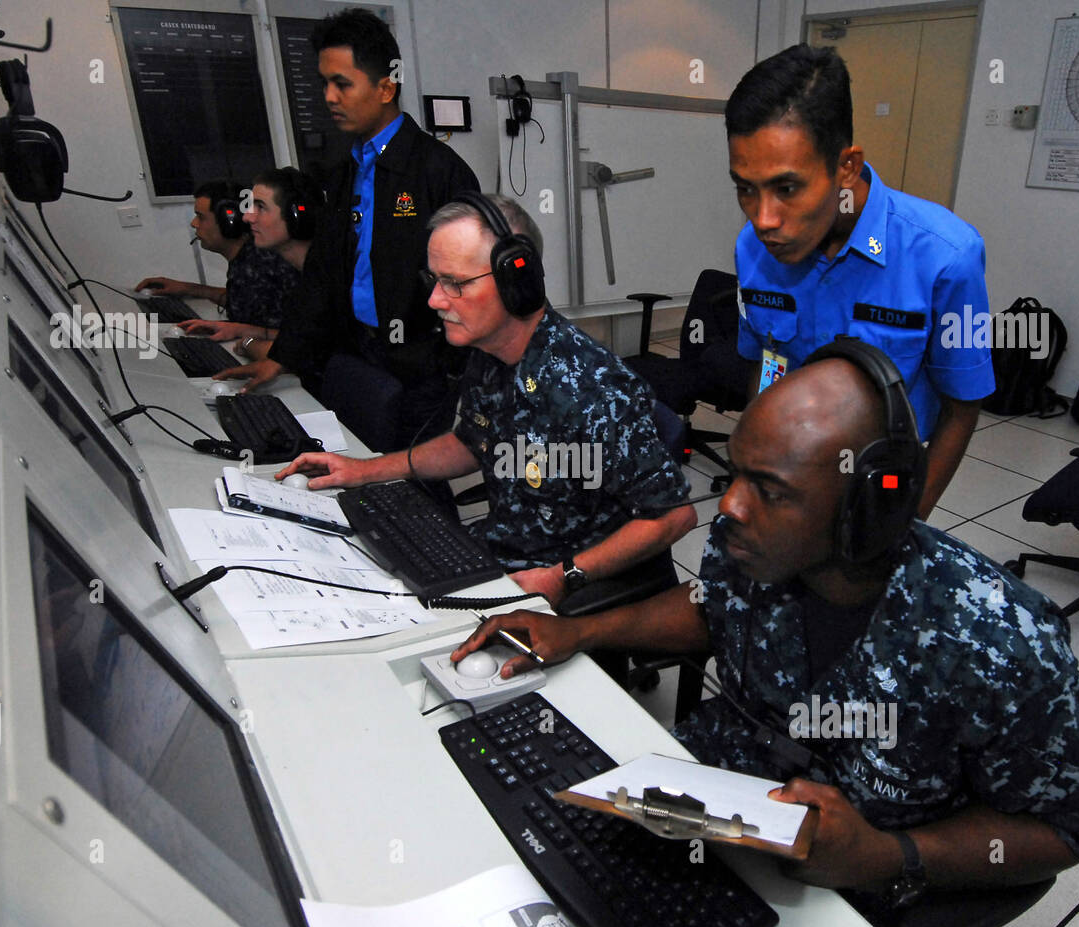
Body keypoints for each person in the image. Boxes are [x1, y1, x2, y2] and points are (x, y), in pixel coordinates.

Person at [452, 343, 1079, 925]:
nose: (730, 507)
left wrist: (887, 857)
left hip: (851, 870)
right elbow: (710, 607)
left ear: (867, 506)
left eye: (770, 490)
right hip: (717, 798)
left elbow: (1065, 828)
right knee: (533, 848)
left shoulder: (997, 641)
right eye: (737, 474)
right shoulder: (757, 549)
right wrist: (578, 630)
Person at [277, 193, 697, 609]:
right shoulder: (489, 354)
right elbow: (471, 443)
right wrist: (365, 470)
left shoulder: (593, 388)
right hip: (496, 554)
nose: (435, 301)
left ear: (519, 283)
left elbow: (674, 516)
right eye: (434, 281)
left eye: (455, 284)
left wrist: (562, 577)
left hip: (555, 583)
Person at [727, 45, 994, 515]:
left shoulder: (948, 256)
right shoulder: (753, 248)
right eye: (746, 189)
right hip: (789, 480)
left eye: (786, 188)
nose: (764, 219)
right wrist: (758, 471)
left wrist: (907, 525)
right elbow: (766, 364)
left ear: (846, 167)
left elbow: (961, 409)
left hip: (883, 480)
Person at [218, 8, 478, 444]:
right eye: (324, 84)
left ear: (384, 86)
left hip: (421, 366)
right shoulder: (345, 174)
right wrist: (281, 356)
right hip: (358, 354)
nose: (329, 97)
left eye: (342, 83)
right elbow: (322, 275)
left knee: (417, 484)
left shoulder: (438, 172)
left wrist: (450, 363)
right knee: (364, 464)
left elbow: (472, 282)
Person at [175, 168, 325, 360]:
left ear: (296, 216)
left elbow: (315, 347)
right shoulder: (300, 268)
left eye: (260, 207)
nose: (247, 217)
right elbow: (299, 336)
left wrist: (248, 342)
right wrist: (240, 330)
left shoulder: (320, 278)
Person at [134, 179, 298, 334]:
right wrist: (189, 289)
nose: (194, 223)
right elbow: (243, 300)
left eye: (201, 217)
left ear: (229, 222)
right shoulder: (251, 255)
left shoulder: (258, 266)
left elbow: (285, 338)